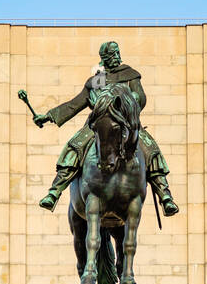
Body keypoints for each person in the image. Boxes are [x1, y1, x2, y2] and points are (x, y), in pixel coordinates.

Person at [32, 40, 179, 215]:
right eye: (112, 55)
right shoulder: (99, 80)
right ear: (104, 59)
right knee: (74, 146)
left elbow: (141, 97)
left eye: (117, 53)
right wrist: (48, 116)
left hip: (126, 124)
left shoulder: (130, 75)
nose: (116, 57)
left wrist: (127, 100)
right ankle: (54, 191)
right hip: (99, 125)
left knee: (150, 148)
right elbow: (75, 104)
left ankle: (165, 195)